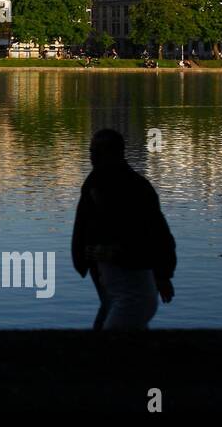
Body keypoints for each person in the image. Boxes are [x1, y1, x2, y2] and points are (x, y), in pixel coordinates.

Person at [71, 129, 176, 331]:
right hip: (106, 267)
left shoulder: (133, 187)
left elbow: (155, 233)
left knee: (117, 313)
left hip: (121, 268)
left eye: (96, 152)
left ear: (114, 153)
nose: (91, 157)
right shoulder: (97, 183)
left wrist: (162, 274)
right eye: (91, 151)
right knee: (120, 312)